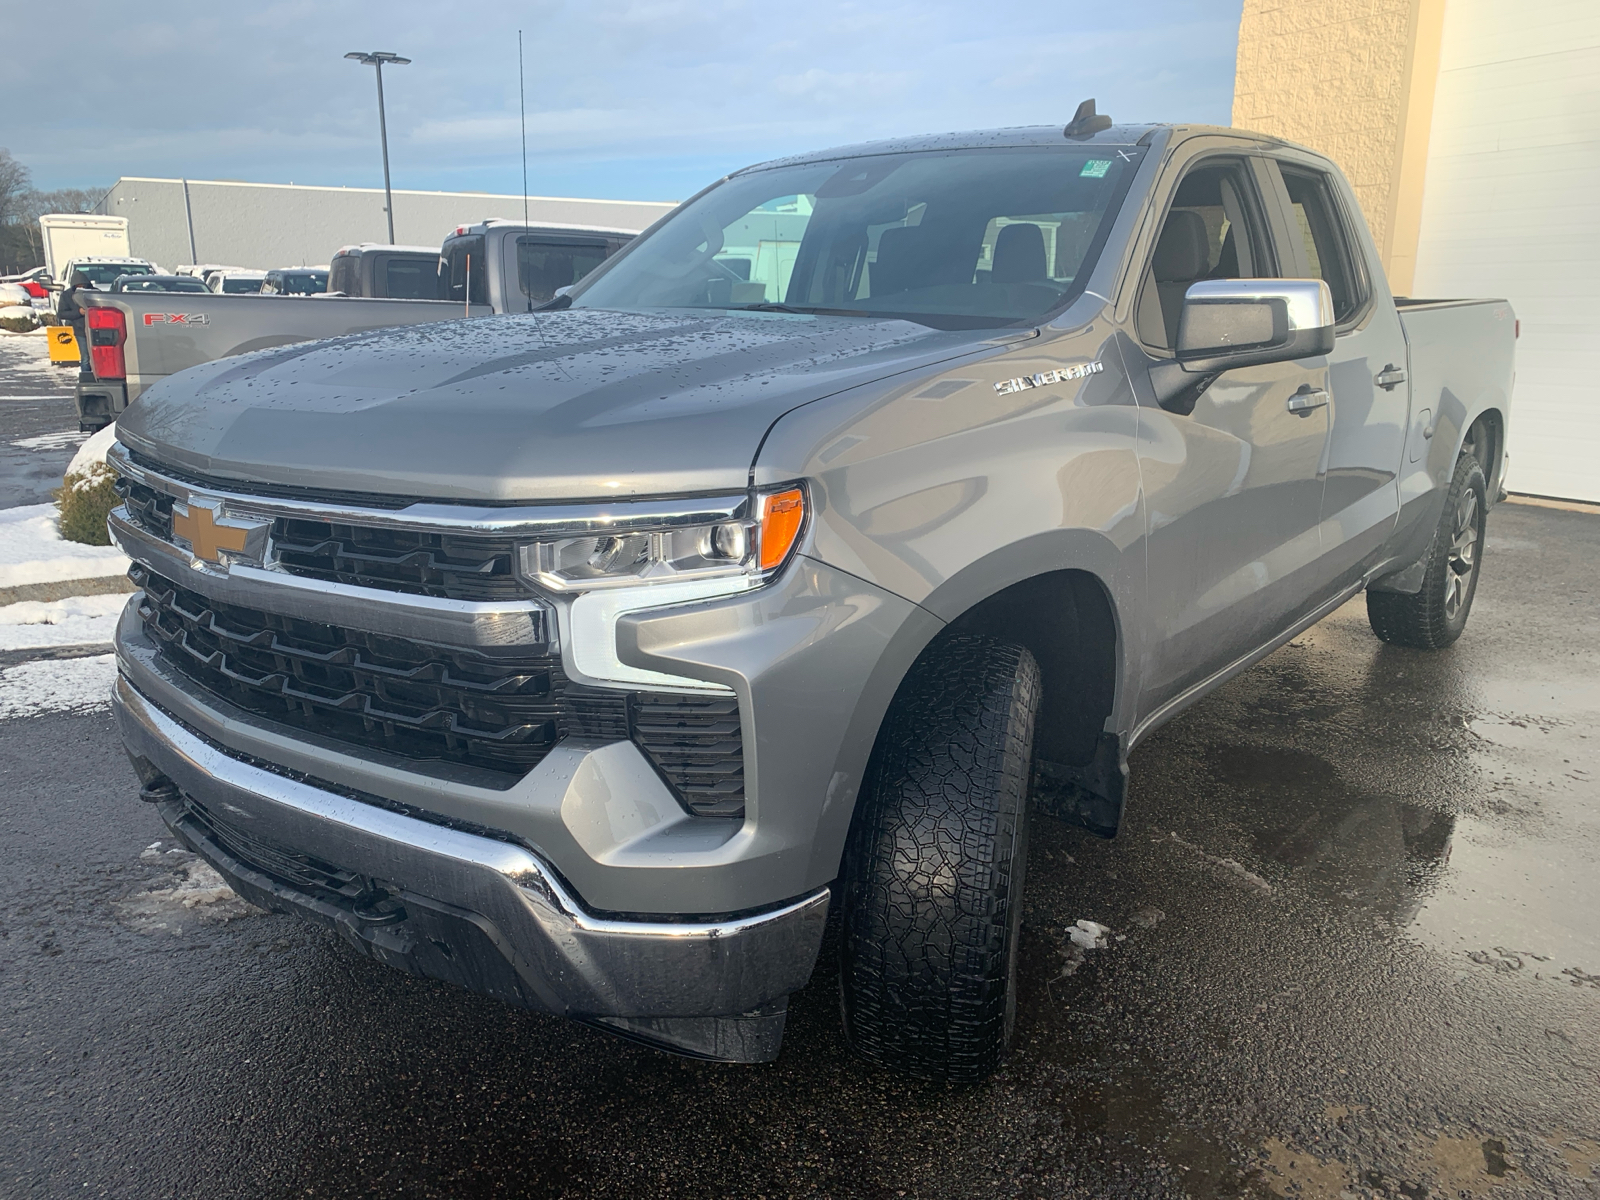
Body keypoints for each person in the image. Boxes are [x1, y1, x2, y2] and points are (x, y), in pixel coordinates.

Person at [57, 270, 97, 380]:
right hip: (80, 330)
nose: (81, 287)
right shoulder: (66, 296)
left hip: (97, 330)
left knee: (99, 356)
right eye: (79, 286)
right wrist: (78, 312)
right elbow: (61, 313)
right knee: (85, 358)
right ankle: (86, 378)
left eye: (83, 285)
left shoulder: (95, 292)